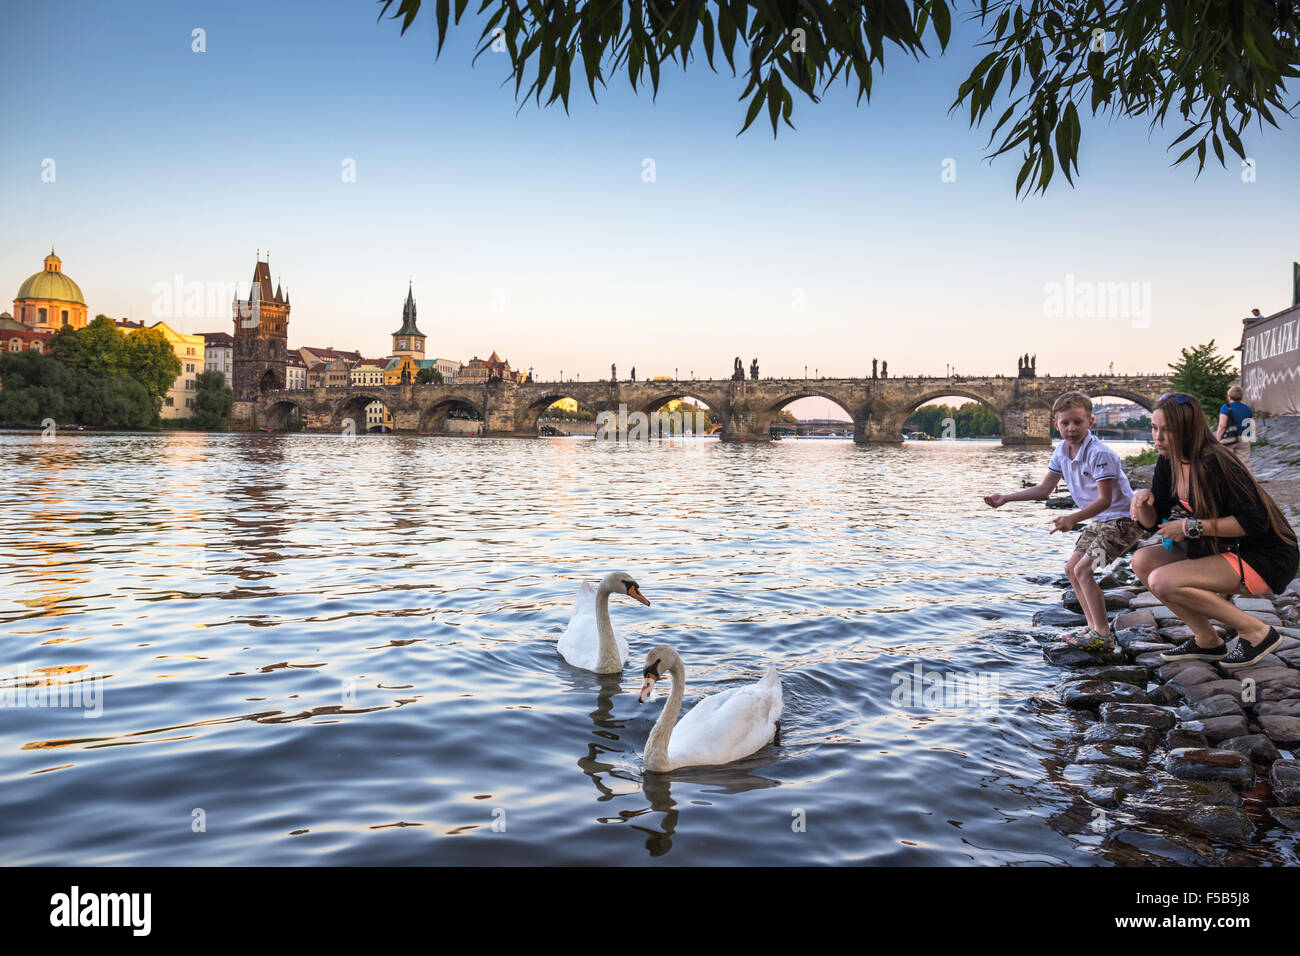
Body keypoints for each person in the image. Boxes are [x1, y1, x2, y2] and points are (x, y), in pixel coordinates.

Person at [1132, 392, 1298, 669]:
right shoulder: (1168, 461)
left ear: (1188, 429)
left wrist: (1189, 527)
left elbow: (1254, 522)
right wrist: (1143, 500)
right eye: (1154, 428)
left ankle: (1257, 632)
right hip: (1224, 549)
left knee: (1163, 580)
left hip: (1265, 555)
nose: (1157, 438)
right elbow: (1154, 522)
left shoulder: (1215, 461)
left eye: (1167, 430)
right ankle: (1207, 640)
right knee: (1142, 561)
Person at [984, 392, 1143, 650]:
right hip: (1101, 522)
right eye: (1065, 423)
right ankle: (1092, 628)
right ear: (1055, 424)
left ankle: (1102, 634)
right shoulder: (1061, 451)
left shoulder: (1100, 454)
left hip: (1123, 524)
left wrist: (1072, 518)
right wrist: (1006, 498)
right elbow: (1044, 490)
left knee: (1084, 570)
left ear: (1090, 422)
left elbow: (1105, 500)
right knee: (1071, 569)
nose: (1071, 429)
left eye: (1078, 422)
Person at [1216, 384, 1254, 471]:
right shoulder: (1247, 408)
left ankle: (1231, 480)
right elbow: (1251, 424)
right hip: (1245, 436)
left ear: (1229, 396)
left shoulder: (1225, 408)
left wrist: (1218, 439)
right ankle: (1247, 480)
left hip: (1229, 437)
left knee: (1228, 460)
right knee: (1245, 460)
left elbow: (1222, 425)